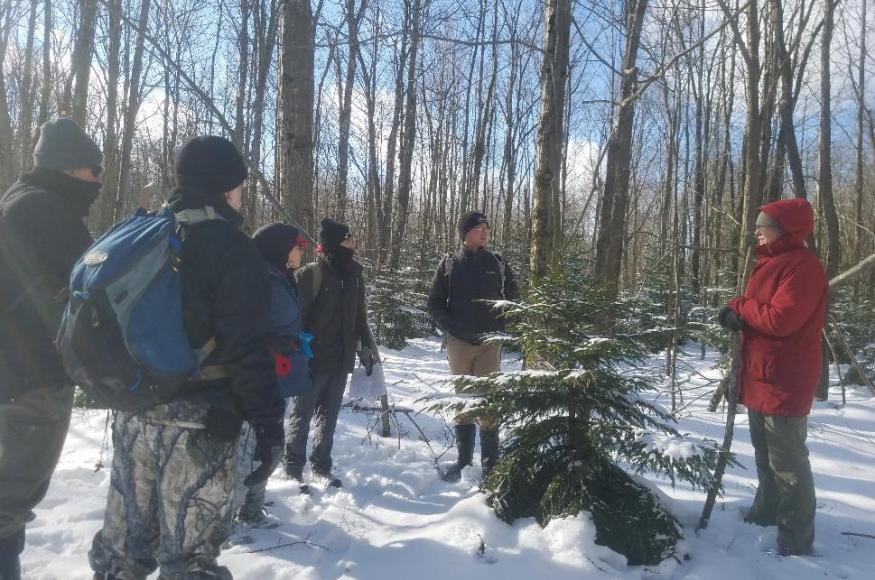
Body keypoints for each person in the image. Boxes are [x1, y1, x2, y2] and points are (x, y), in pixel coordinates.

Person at [88, 136, 285, 579]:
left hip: (135, 414)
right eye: (239, 184)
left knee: (121, 555)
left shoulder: (145, 233)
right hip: (201, 423)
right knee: (190, 564)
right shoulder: (233, 249)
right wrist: (270, 428)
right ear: (227, 185)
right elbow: (249, 349)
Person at [0, 119, 103, 580]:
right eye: (92, 170)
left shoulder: (17, 202)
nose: (99, 180)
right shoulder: (48, 213)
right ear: (67, 169)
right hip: (30, 384)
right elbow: (96, 295)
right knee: (8, 506)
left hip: (14, 380)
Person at [718, 198, 827, 556]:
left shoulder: (803, 267)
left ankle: (795, 540)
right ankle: (766, 512)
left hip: (784, 380)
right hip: (762, 376)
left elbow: (782, 319)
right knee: (765, 455)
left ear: (784, 230)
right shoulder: (772, 263)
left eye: (763, 227)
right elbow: (762, 314)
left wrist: (739, 307)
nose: (757, 233)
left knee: (789, 463)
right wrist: (742, 315)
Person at [284, 218, 379, 489]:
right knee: (302, 414)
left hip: (341, 359)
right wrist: (300, 352)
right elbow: (296, 318)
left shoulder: (355, 275)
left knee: (330, 414)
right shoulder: (310, 275)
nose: (353, 245)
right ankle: (293, 468)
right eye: (348, 241)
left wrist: (367, 350)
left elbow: (360, 318)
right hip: (311, 359)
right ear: (334, 244)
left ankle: (321, 465)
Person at [427, 211, 518, 483]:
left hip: (490, 345)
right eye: (479, 227)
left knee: (489, 402)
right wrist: (453, 328)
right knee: (463, 401)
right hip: (459, 344)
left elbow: (513, 298)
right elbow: (434, 303)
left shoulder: (498, 263)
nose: (485, 231)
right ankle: (464, 463)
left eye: (486, 227)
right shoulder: (450, 264)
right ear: (465, 233)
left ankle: (491, 466)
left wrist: (501, 327)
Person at [234, 223, 312, 524]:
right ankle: (227, 518)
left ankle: (252, 509)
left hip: (278, 375)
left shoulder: (282, 275)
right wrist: (278, 342)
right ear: (281, 248)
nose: (302, 250)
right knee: (251, 449)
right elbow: (241, 327)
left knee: (266, 446)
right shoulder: (258, 279)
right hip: (257, 378)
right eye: (298, 246)